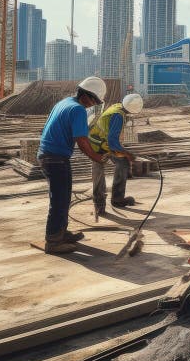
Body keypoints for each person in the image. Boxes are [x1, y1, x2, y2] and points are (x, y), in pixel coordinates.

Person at [37, 77, 107, 254]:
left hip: (50, 155)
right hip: (55, 158)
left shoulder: (65, 102)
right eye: (93, 101)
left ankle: (61, 232)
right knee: (59, 200)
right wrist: (97, 157)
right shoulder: (77, 110)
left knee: (64, 197)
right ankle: (53, 241)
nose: (92, 105)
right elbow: (82, 141)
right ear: (85, 95)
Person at [88, 92, 144, 214]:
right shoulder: (119, 116)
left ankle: (115, 200)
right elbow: (113, 142)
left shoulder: (117, 107)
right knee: (99, 172)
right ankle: (100, 204)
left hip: (100, 141)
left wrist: (123, 153)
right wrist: (127, 154)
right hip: (98, 145)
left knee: (122, 163)